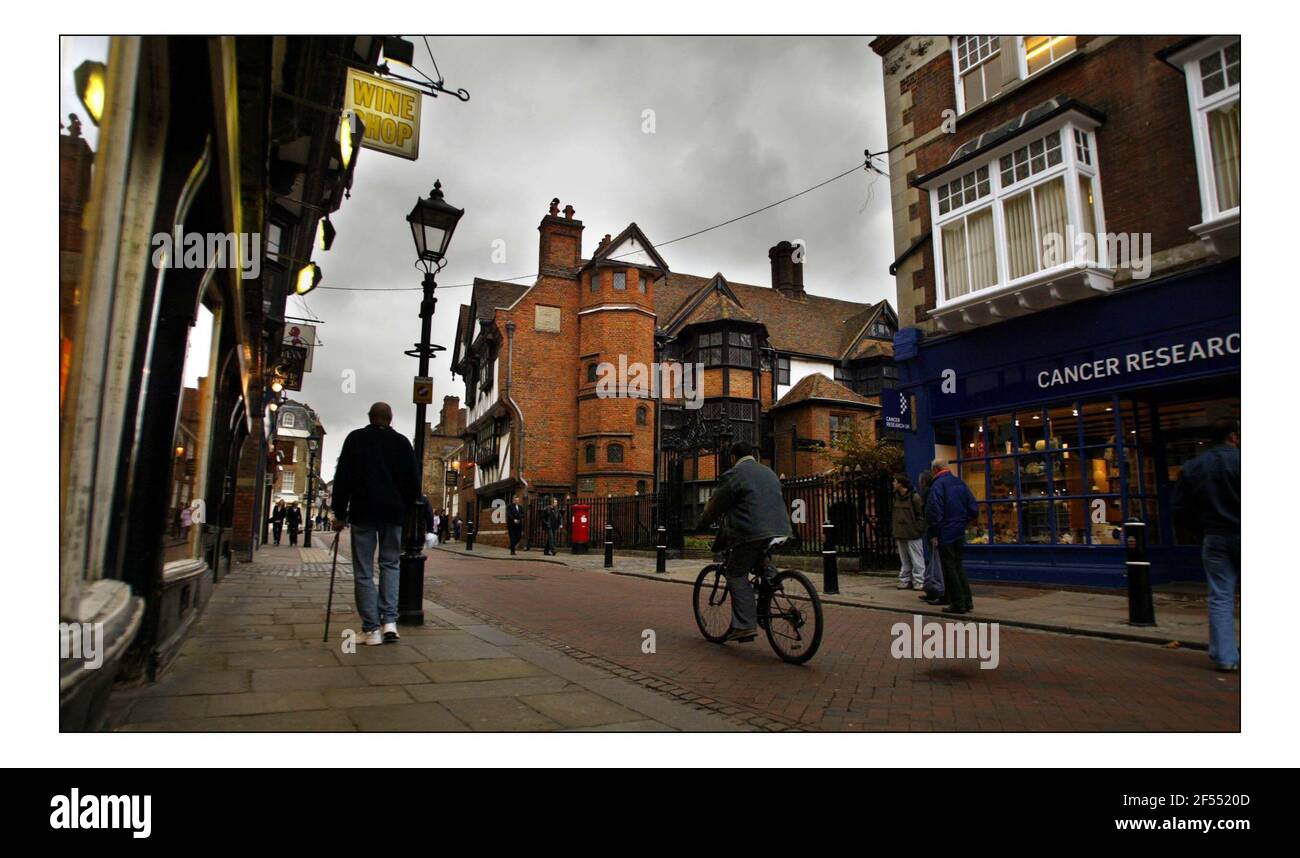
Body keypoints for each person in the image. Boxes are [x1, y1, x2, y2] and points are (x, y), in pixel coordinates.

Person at [332, 402, 420, 646]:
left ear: (370, 417)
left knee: (364, 571)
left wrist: (339, 512)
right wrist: (407, 508)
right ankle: (390, 622)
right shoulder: (402, 443)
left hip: (364, 512)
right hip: (393, 515)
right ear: (390, 420)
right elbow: (413, 483)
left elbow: (343, 478)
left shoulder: (356, 439)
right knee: (391, 564)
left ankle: (371, 630)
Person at [697, 441, 794, 643]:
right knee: (761, 563)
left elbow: (715, 506)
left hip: (751, 532)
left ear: (733, 458)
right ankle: (771, 587)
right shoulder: (769, 472)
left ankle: (744, 626)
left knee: (735, 573)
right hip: (780, 529)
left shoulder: (734, 474)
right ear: (754, 455)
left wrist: (702, 524)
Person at [1173, 419, 1240, 672]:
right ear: (1233, 437)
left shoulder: (1193, 467)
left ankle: (1225, 657)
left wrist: (1198, 532)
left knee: (1220, 596)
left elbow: (1179, 509)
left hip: (1213, 536)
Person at [925, 457, 979, 614]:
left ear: (935, 470)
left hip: (946, 531)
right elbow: (973, 509)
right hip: (959, 531)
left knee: (949, 567)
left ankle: (958, 603)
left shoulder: (938, 485)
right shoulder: (960, 483)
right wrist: (963, 522)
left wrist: (934, 533)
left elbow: (934, 512)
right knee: (958, 566)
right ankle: (967, 600)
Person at [891, 473, 927, 590]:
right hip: (900, 532)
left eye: (895, 481)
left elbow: (920, 516)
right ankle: (905, 580)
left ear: (901, 484)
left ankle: (919, 581)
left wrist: (918, 529)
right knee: (904, 559)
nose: (893, 483)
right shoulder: (895, 497)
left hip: (912, 533)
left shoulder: (914, 497)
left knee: (917, 559)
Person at [917, 470, 945, 604]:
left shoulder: (930, 493)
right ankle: (932, 589)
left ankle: (936, 590)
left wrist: (934, 533)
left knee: (936, 564)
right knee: (933, 563)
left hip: (935, 532)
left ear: (923, 482)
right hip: (935, 531)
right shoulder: (932, 491)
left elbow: (932, 514)